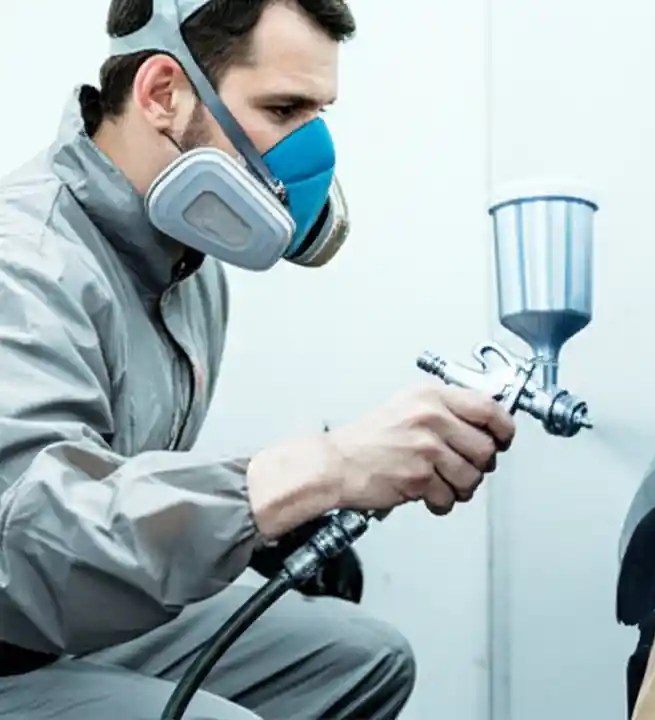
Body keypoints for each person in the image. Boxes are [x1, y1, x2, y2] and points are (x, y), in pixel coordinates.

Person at [0, 0, 517, 718]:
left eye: (318, 113)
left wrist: (267, 526)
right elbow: (26, 548)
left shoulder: (188, 268)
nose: (310, 152)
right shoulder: (27, 263)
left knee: (362, 661)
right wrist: (313, 473)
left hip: (65, 626)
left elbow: (111, 478)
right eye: (283, 110)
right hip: (15, 625)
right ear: (162, 94)